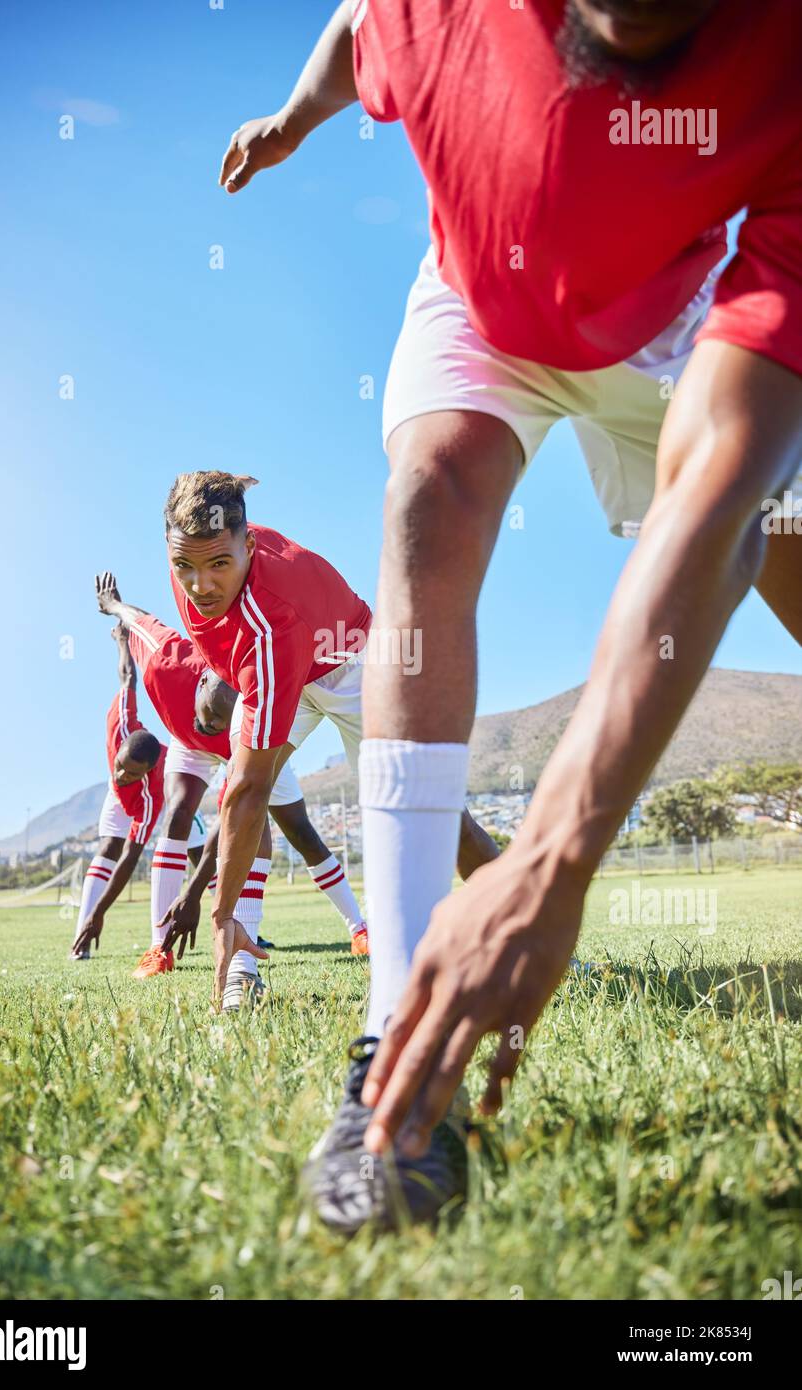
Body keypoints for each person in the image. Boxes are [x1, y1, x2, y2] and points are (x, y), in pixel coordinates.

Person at [220, 0, 802, 1230]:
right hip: (485, 299)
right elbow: (351, 38)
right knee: (431, 491)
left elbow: (722, 493)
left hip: (680, 324)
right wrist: (290, 120)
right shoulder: (435, 16)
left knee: (777, 554)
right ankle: (393, 1043)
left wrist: (551, 862)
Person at [163, 471, 499, 1010]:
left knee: (431, 808)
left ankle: (522, 930)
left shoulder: (271, 623)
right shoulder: (201, 547)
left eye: (218, 566)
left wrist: (217, 914)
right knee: (243, 797)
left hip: (354, 665)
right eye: (185, 566)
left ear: (248, 547)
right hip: (285, 663)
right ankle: (242, 972)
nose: (200, 585)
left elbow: (248, 792)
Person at [94, 573, 372, 963]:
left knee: (301, 831)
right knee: (176, 813)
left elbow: (234, 819)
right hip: (184, 742)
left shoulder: (244, 722)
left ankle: (359, 928)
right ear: (205, 678)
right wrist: (115, 608)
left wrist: (193, 895)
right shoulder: (166, 659)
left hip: (243, 748)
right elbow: (139, 620)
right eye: (210, 719)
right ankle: (159, 949)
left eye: (219, 724)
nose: (211, 727)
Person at [69, 624, 173, 960]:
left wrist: (102, 911)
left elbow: (132, 856)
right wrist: (123, 641)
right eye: (121, 765)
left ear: (146, 772)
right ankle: (79, 938)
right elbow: (128, 676)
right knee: (107, 845)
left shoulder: (151, 793)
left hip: (175, 791)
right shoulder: (123, 725)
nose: (121, 773)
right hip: (117, 799)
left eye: (131, 773)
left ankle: (243, 927)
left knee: (198, 851)